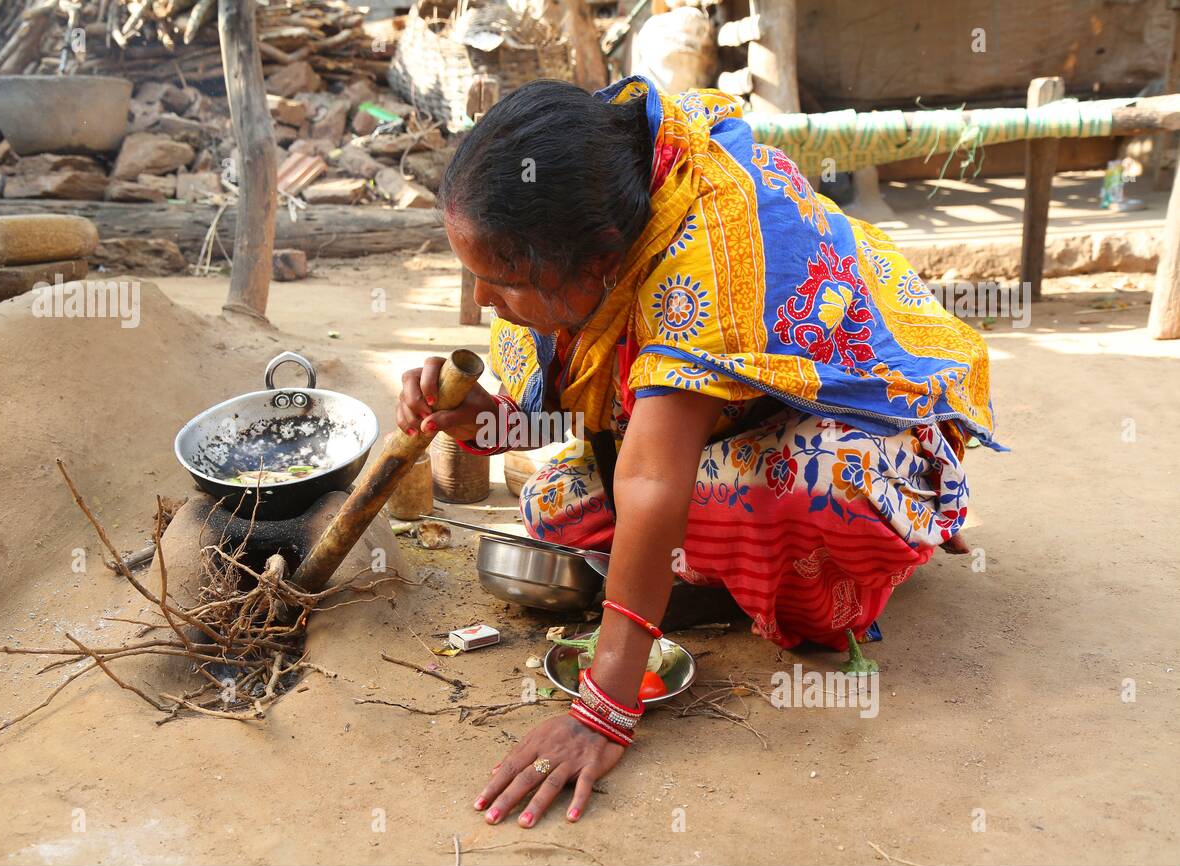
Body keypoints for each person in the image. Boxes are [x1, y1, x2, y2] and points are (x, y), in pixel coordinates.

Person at [395, 77, 998, 828]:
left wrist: (604, 707)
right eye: (475, 276)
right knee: (552, 507)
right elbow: (586, 424)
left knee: (816, 488)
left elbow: (648, 475)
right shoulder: (581, 230)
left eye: (501, 282)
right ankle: (710, 579)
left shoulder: (710, 236)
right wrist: (479, 424)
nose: (483, 303)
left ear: (599, 262)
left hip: (854, 434)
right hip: (709, 443)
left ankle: (904, 512)